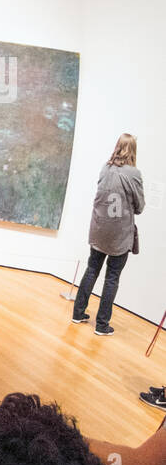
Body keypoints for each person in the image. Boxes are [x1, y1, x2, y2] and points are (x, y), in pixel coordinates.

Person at [72, 133, 144, 336]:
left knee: (92, 268)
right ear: (133, 150)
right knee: (112, 277)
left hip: (99, 228)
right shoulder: (134, 174)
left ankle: (78, 313)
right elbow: (140, 207)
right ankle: (102, 325)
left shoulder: (106, 167)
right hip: (119, 234)